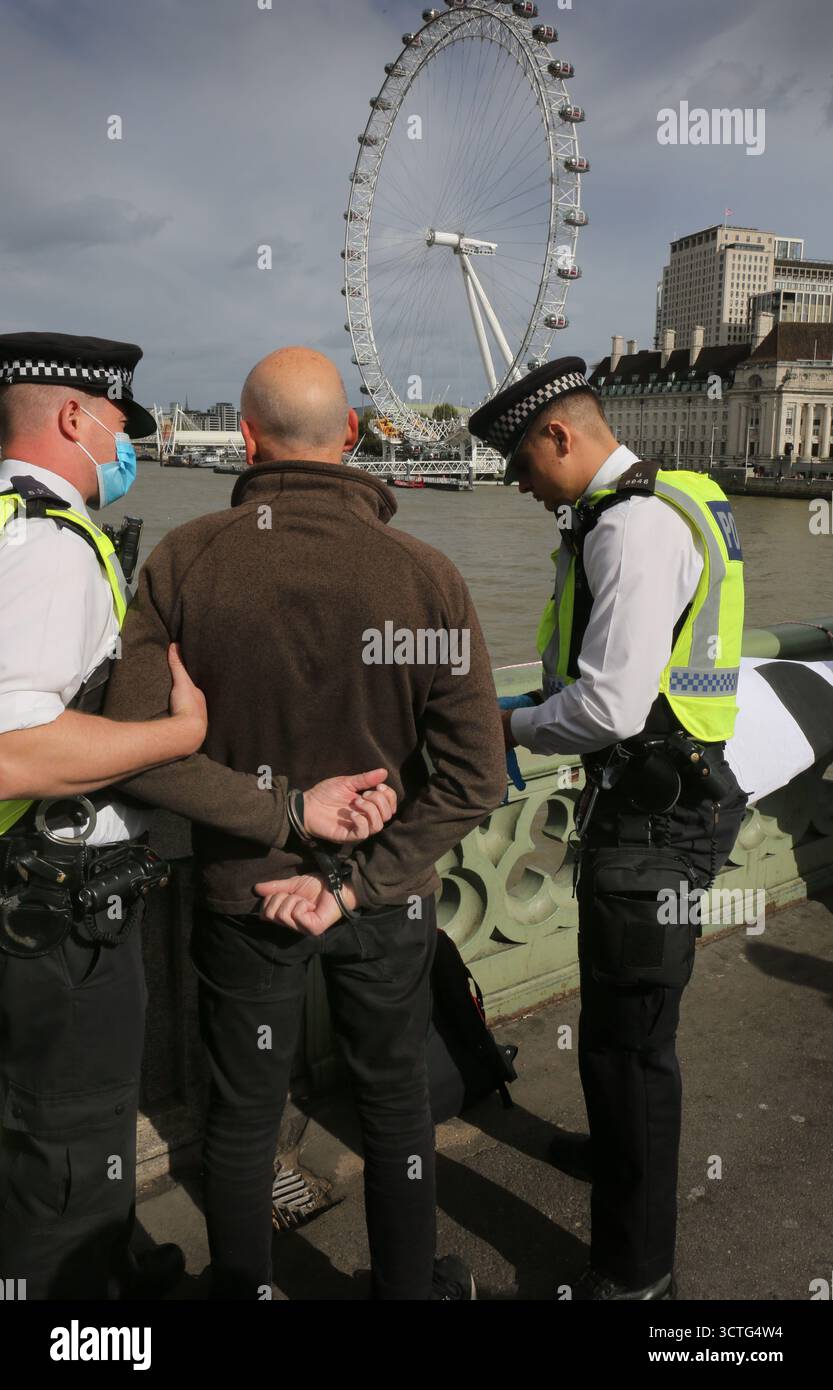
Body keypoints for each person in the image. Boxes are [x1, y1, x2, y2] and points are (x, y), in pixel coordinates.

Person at [0, 333, 398, 1301]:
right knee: (66, 1134)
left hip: (42, 894)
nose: (124, 442)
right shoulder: (48, 545)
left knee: (57, 1127)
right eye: (115, 423)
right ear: (70, 418)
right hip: (55, 903)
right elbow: (12, 746)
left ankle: (120, 1267)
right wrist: (172, 733)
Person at [103, 345, 506, 1300]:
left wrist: (272, 814)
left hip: (248, 896)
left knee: (243, 1116)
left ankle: (244, 1287)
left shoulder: (184, 559)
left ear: (244, 439)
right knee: (395, 1101)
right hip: (384, 900)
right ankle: (406, 1288)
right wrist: (359, 880)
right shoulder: (427, 575)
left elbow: (131, 743)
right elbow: (476, 775)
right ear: (355, 436)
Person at [470, 357, 749, 1301]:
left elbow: (611, 707)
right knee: (623, 1027)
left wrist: (504, 725)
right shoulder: (679, 497)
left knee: (627, 1046)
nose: (514, 480)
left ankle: (634, 1276)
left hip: (652, 820)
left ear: (560, 434)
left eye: (518, 459)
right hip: (683, 790)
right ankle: (619, 1155)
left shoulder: (626, 529)